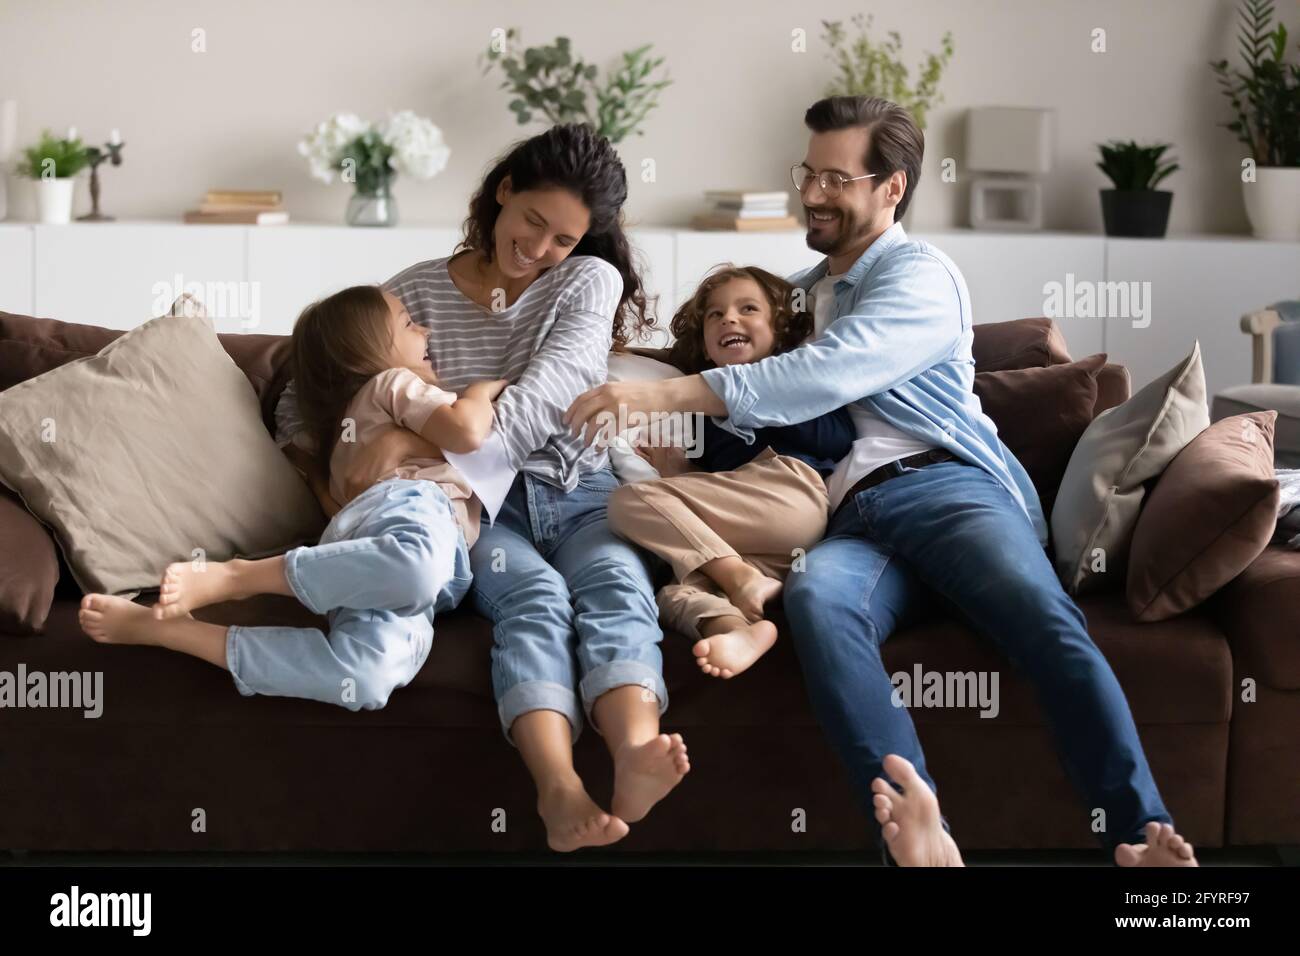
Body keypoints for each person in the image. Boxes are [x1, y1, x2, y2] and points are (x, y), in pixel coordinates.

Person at [566, 96, 1197, 867]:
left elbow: (822, 371)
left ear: (892, 187)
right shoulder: (797, 293)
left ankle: (1137, 832)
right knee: (817, 602)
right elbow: (723, 344)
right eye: (808, 172)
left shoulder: (920, 275)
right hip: (851, 521)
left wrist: (663, 396)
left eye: (836, 177)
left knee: (1041, 617)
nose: (812, 192)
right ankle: (917, 829)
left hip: (945, 488)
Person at [277, 124, 689, 852]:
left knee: (618, 583)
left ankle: (633, 756)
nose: (539, 248)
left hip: (580, 489)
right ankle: (558, 790)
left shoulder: (586, 281)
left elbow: (548, 398)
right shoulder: (411, 296)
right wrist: (336, 485)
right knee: (535, 601)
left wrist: (415, 435)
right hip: (474, 514)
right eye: (533, 221)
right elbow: (299, 402)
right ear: (504, 191)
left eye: (563, 237)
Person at [80, 284, 496, 713]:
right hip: (408, 510)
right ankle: (234, 578)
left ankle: (174, 632)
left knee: (364, 677)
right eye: (409, 324)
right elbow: (469, 433)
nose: (425, 330)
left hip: (376, 555)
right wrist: (482, 392)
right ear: (367, 350)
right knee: (416, 568)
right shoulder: (394, 383)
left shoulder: (342, 426)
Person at [607, 265, 852, 678]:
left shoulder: (794, 382)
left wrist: (758, 398)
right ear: (704, 345)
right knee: (675, 593)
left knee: (628, 502)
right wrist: (681, 469)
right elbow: (715, 490)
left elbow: (835, 438)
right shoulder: (698, 410)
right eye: (714, 315)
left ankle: (738, 579)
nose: (729, 319)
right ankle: (738, 629)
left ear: (780, 331)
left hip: (790, 494)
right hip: (750, 540)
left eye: (748, 308)